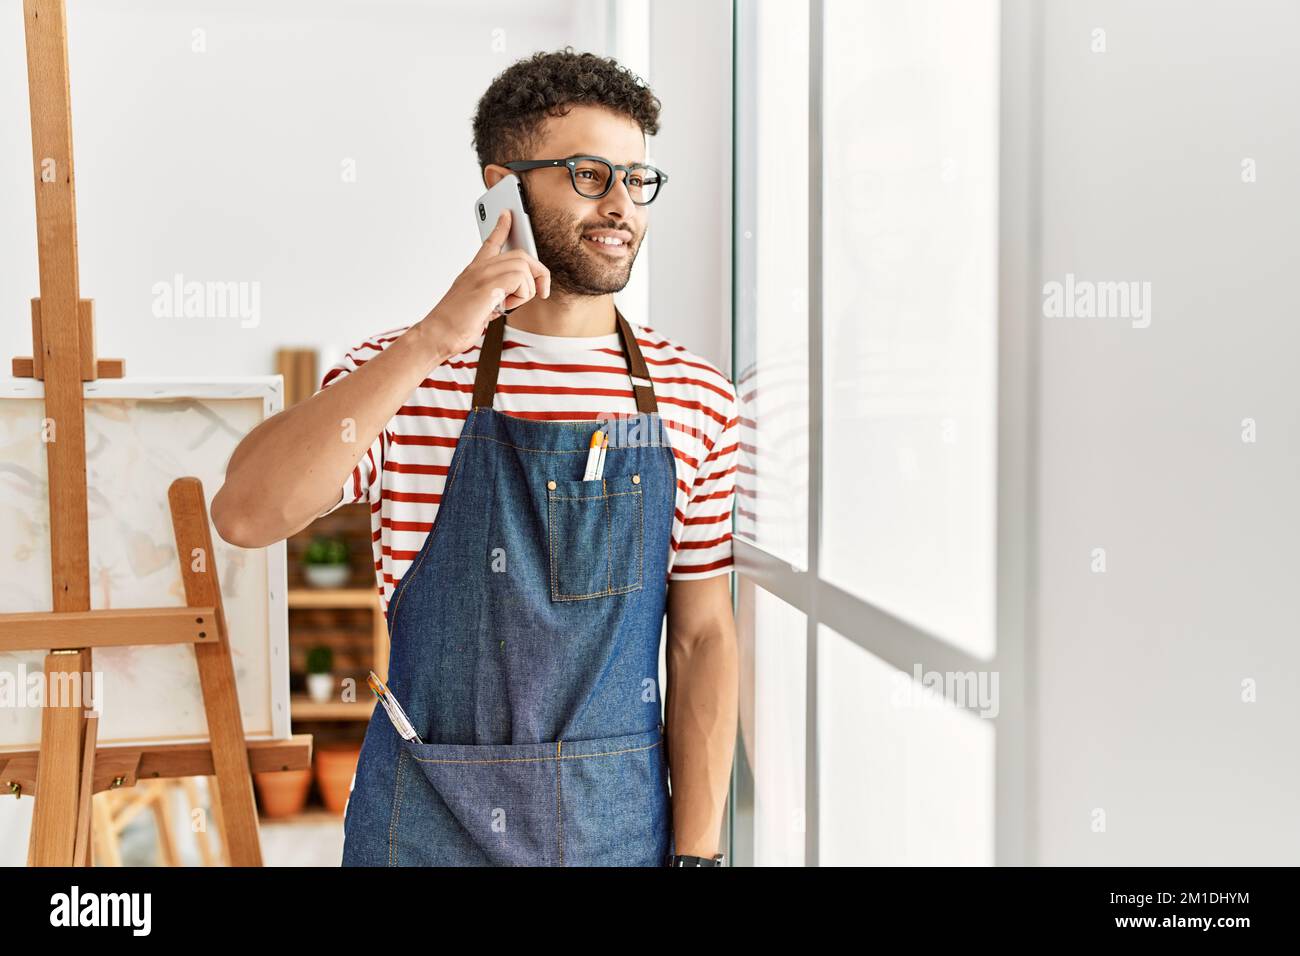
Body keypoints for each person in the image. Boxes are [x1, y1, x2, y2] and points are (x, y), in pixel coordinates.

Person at [213, 47, 737, 867]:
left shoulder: (696, 398)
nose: (621, 206)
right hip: (424, 829)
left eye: (638, 180)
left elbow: (701, 639)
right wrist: (432, 338)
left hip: (621, 832)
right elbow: (246, 513)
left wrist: (700, 856)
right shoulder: (404, 377)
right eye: (590, 175)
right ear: (504, 189)